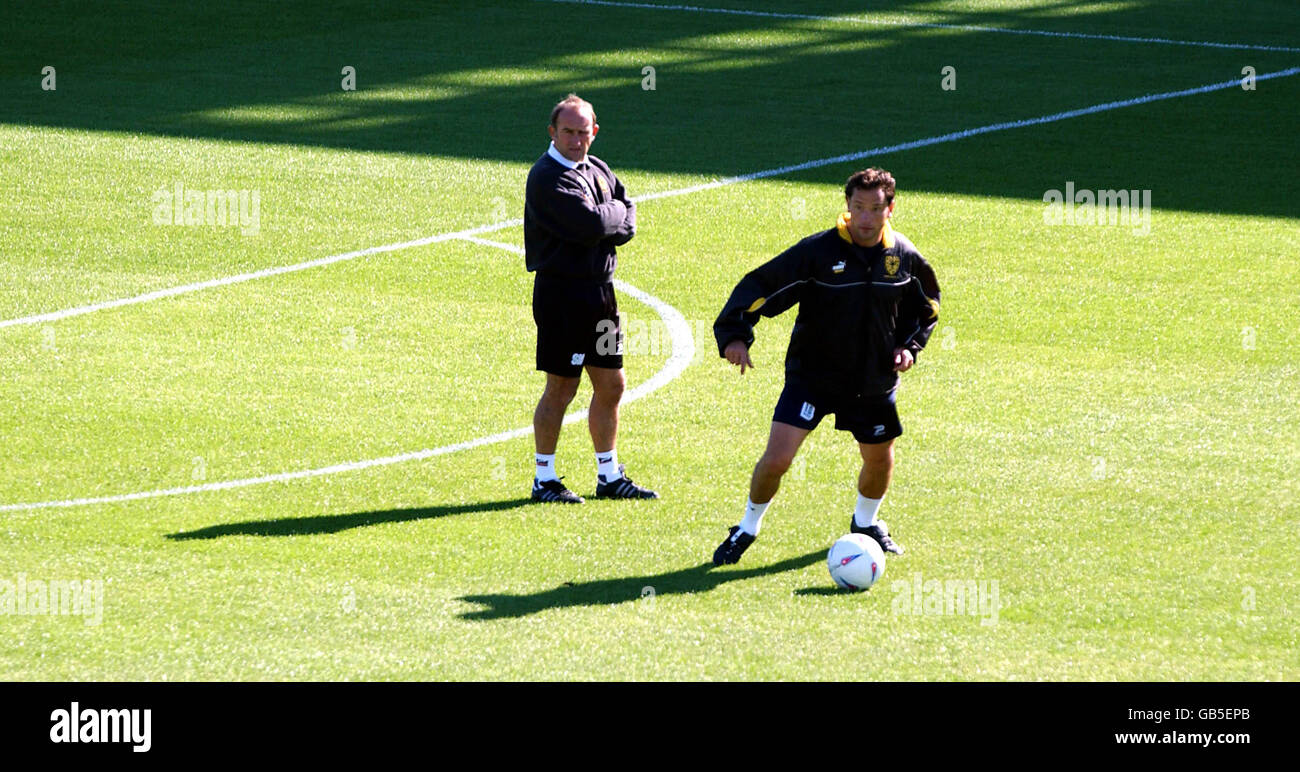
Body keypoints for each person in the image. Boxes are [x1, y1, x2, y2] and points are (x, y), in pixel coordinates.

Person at [711, 168, 940, 564]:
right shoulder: (818, 252)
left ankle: (866, 523)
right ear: (847, 206)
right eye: (858, 208)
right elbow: (761, 286)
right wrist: (735, 335)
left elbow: (927, 306)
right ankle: (747, 527)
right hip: (812, 377)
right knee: (778, 459)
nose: (865, 218)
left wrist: (910, 347)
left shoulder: (903, 255)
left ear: (891, 208)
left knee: (880, 458)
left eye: (875, 209)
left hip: (872, 381)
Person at [523, 94, 658, 503]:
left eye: (584, 132)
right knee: (562, 388)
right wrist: (610, 216)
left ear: (594, 132)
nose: (577, 140)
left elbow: (627, 218)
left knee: (612, 383)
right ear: (552, 132)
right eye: (569, 132)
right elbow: (590, 223)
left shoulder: (596, 168)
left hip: (601, 297)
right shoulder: (547, 176)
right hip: (563, 297)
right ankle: (543, 479)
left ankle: (609, 476)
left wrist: (610, 216)